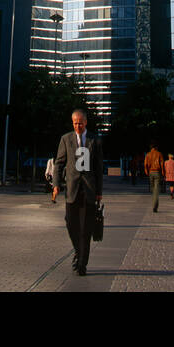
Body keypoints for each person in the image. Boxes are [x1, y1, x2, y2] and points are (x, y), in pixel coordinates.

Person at [54, 109, 103, 276]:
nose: (77, 126)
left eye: (80, 123)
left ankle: (82, 264)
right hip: (72, 190)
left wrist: (99, 191)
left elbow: (98, 168)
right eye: (75, 123)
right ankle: (78, 250)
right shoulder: (66, 139)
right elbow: (59, 163)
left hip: (89, 190)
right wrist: (56, 184)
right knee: (70, 222)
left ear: (86, 122)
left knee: (86, 229)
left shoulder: (94, 140)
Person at [144, 141, 164, 213]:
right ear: (156, 147)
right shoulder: (159, 154)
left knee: (153, 189)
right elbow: (162, 164)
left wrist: (146, 172)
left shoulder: (148, 154)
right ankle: (155, 205)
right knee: (156, 189)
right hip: (157, 172)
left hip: (151, 172)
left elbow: (145, 164)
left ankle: (154, 202)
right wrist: (163, 173)